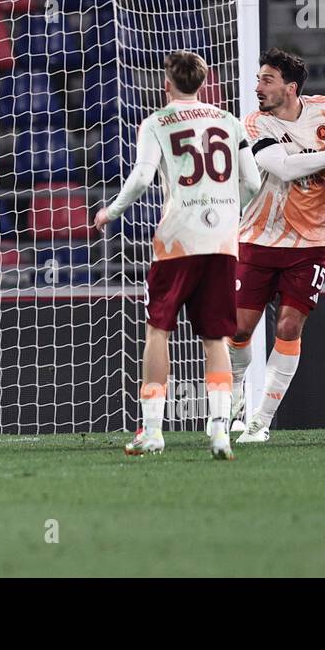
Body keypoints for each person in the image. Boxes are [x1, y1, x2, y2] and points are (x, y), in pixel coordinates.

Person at [94, 50, 261, 459]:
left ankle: (152, 431)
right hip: (222, 238)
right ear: (203, 82)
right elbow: (254, 183)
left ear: (166, 84)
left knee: (158, 329)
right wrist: (225, 209)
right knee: (215, 335)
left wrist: (110, 211)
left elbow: (141, 178)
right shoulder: (229, 121)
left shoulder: (156, 123)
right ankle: (220, 432)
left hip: (178, 239)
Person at [230, 48, 325, 443]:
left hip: (312, 241)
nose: (257, 86)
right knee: (239, 328)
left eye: (266, 80)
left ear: (290, 87)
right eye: (258, 78)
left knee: (288, 325)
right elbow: (282, 167)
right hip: (260, 237)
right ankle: (233, 408)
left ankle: (259, 423)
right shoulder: (256, 123)